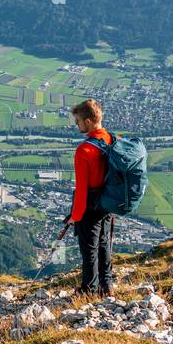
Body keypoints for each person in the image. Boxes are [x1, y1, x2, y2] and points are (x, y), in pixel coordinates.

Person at [67, 98, 115, 297]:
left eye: (78, 121)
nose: (77, 124)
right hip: (108, 201)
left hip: (90, 205)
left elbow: (82, 189)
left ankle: (88, 290)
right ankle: (106, 286)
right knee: (104, 244)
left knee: (89, 250)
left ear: (88, 121)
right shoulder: (112, 140)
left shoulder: (84, 150)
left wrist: (75, 216)